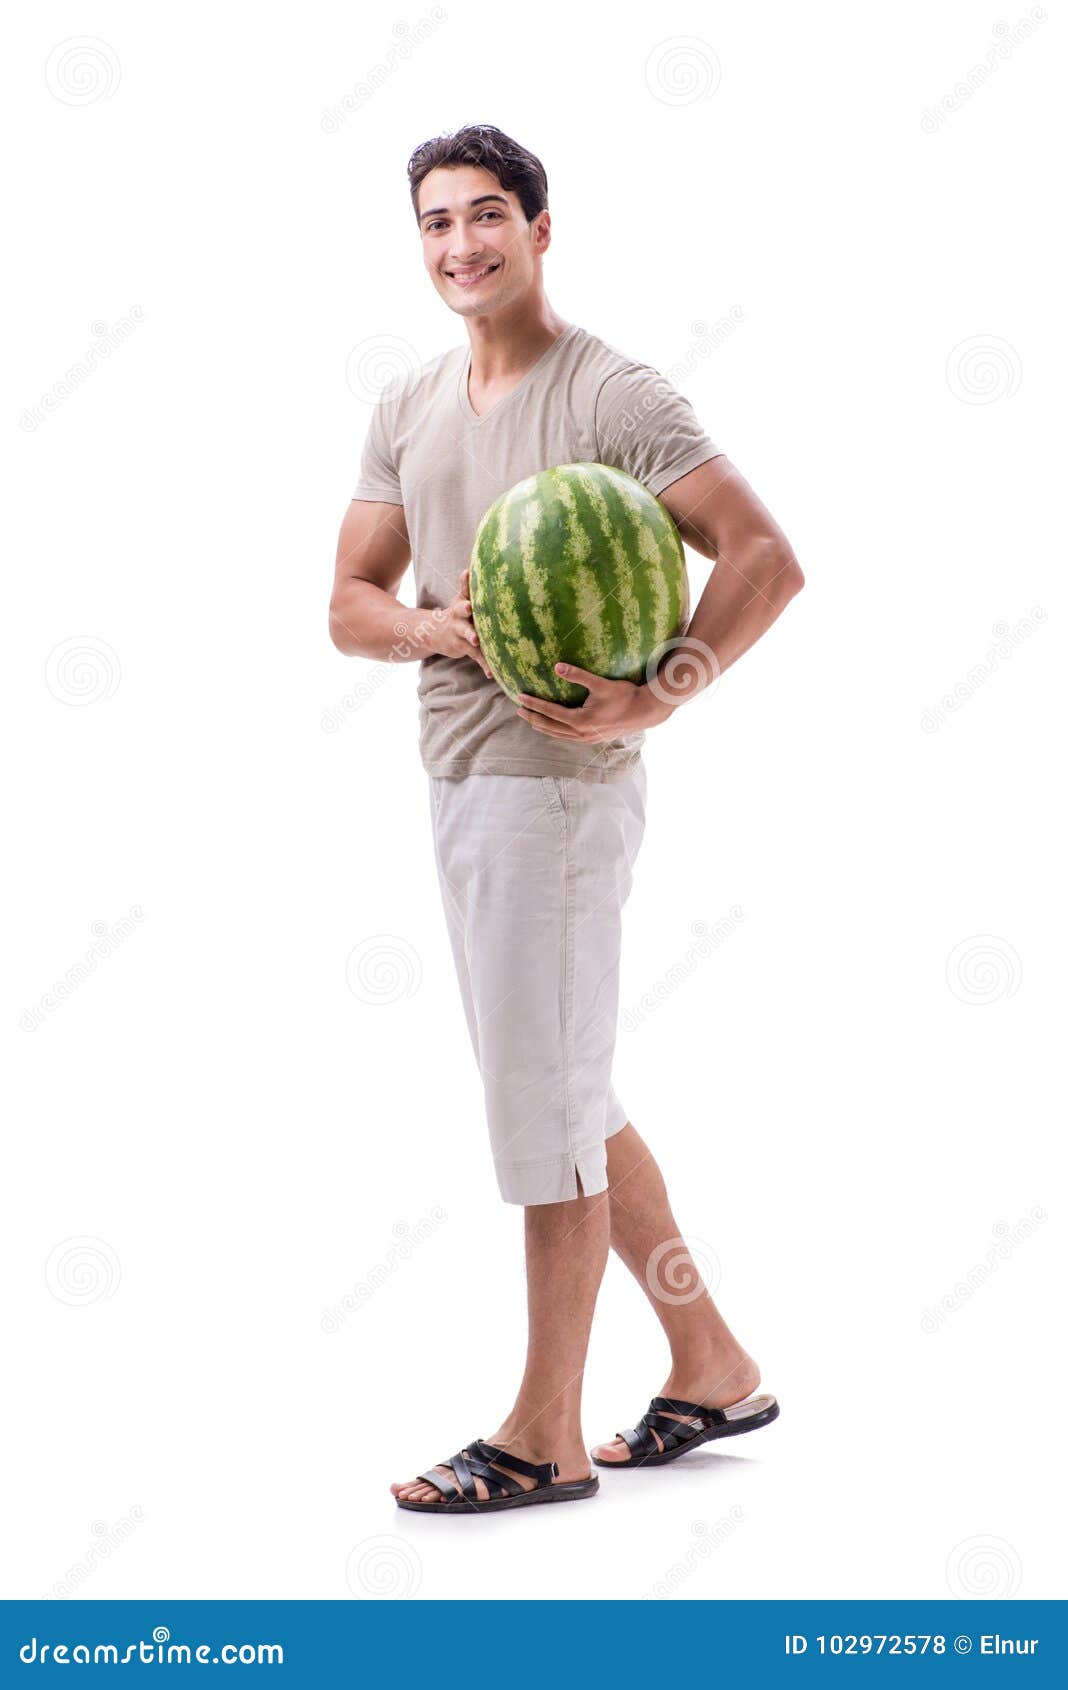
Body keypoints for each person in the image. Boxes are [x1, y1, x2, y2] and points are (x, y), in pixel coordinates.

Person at [329, 124, 804, 1515]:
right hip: (460, 775)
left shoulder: (614, 393)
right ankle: (710, 1360)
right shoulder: (409, 406)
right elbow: (349, 602)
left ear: (543, 227)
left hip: (562, 792)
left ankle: (544, 1429)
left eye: (488, 216)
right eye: (436, 224)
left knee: (544, 1115)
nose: (462, 245)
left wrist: (654, 697)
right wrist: (439, 625)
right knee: (571, 1095)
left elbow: (766, 555)